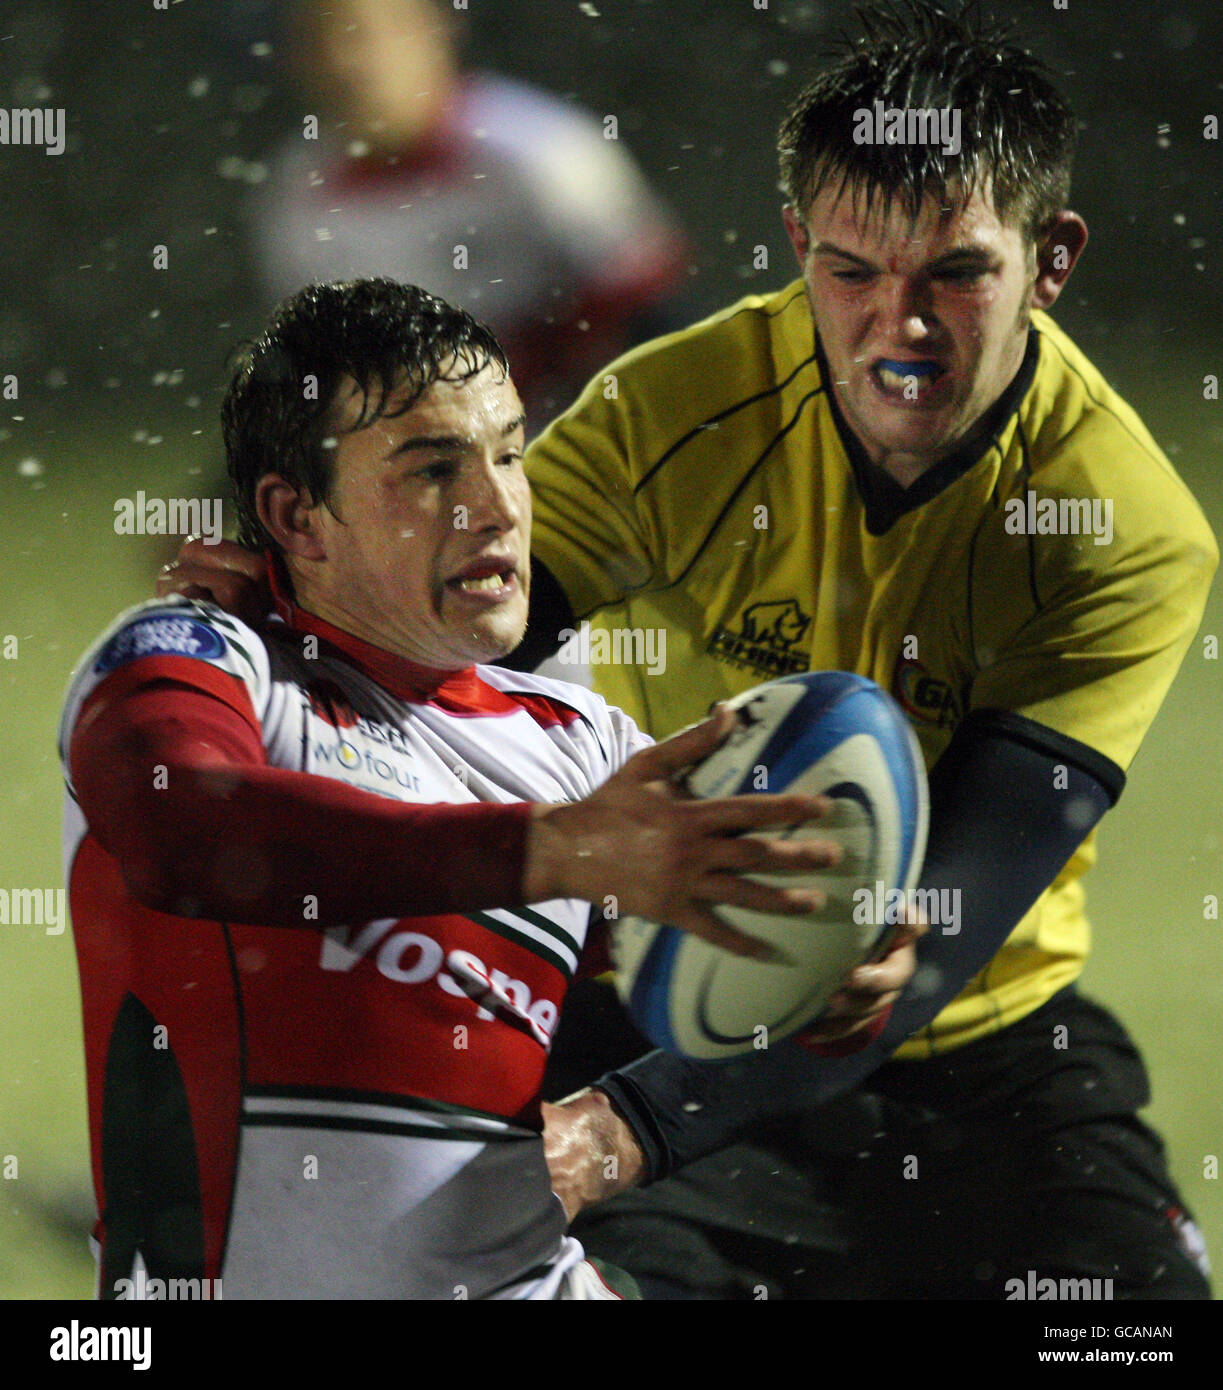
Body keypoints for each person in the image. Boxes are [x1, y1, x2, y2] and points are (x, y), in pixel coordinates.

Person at [163, 3, 1218, 1299]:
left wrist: (631, 1129)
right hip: (674, 996)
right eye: (848, 270)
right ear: (792, 248)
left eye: (953, 270)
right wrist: (294, 610)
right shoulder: (674, 410)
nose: (898, 327)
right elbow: (430, 646)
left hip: (977, 1040)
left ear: (1047, 259)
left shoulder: (1121, 529)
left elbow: (938, 920)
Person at [60, 279, 915, 1300]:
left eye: (509, 451)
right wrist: (551, 854)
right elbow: (181, 827)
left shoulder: (580, 742)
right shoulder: (206, 663)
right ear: (297, 515)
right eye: (432, 469)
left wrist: (830, 969)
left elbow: (721, 967)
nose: (499, 504)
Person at [248, 0, 689, 431]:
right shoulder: (295, 193)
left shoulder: (538, 151)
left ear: (434, 28)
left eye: (365, 33)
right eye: (319, 40)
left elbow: (653, 322)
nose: (345, 63)